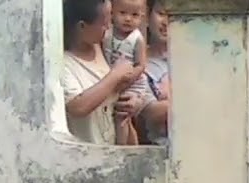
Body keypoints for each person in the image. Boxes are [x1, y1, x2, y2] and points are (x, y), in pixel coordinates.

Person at [62, 0, 146, 145]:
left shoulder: (101, 46)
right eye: (104, 22)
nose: (108, 27)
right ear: (82, 26)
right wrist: (115, 75)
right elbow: (77, 107)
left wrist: (133, 103)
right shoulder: (65, 64)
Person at [102, 0, 151, 145]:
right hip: (112, 78)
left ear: (142, 17)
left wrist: (130, 77)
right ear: (112, 13)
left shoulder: (137, 39)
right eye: (123, 13)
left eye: (134, 15)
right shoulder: (106, 34)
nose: (128, 19)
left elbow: (141, 65)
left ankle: (122, 148)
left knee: (123, 115)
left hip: (133, 83)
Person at [139, 0, 172, 145]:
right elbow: (152, 112)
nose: (165, 22)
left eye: (172, 15)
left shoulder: (192, 58)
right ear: (147, 16)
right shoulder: (139, 62)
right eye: (161, 14)